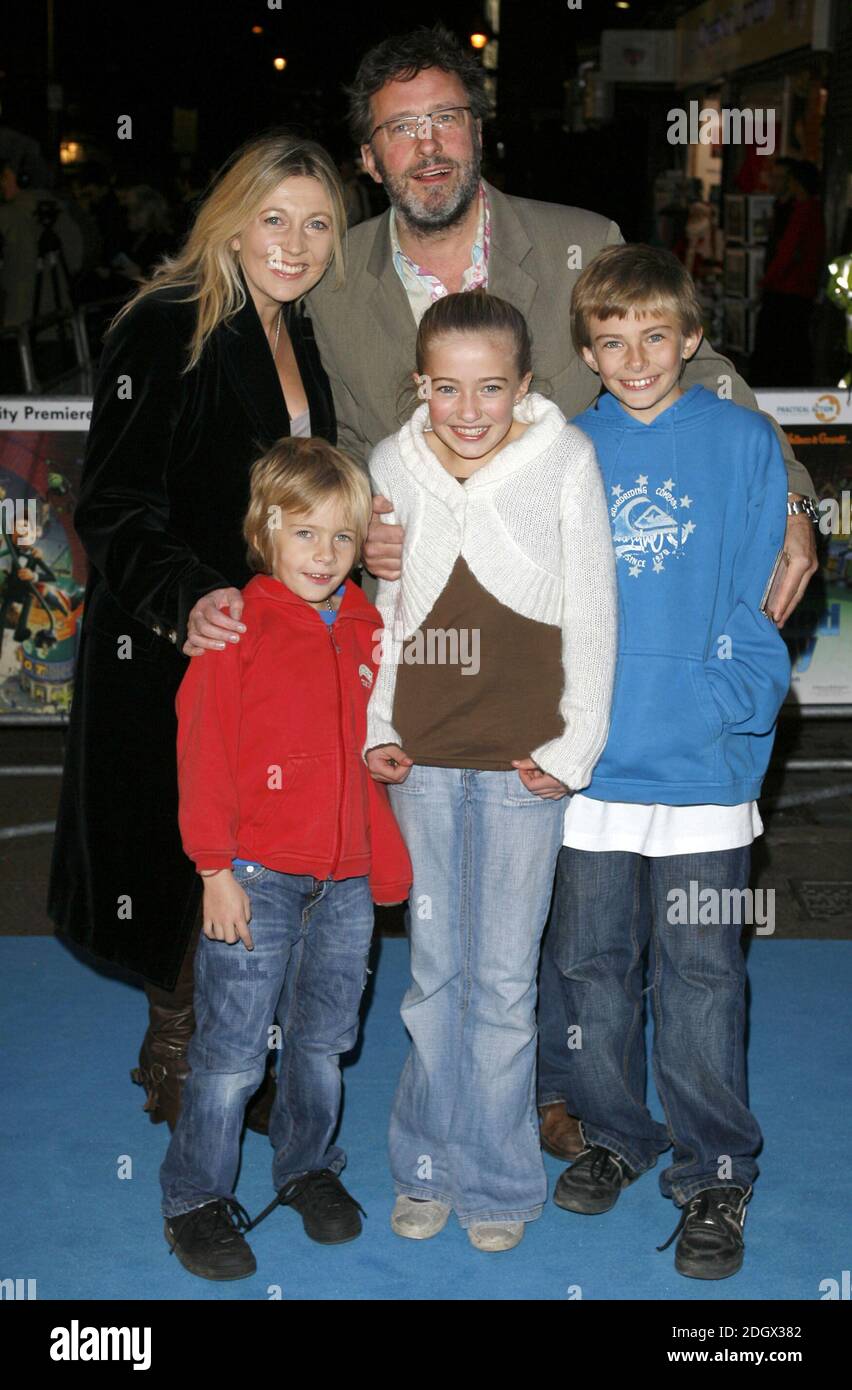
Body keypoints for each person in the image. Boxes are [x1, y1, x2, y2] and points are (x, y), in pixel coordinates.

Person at [307, 23, 819, 668]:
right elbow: (340, 443)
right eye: (402, 127)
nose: (429, 144)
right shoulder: (332, 282)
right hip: (418, 629)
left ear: (479, 134)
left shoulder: (578, 247)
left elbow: (703, 375)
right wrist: (358, 531)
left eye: (446, 117)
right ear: (370, 157)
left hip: (580, 617)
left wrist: (791, 500)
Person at [47, 130, 347, 1134]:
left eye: (316, 224)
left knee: (252, 856)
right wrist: (188, 601)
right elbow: (114, 506)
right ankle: (177, 1070)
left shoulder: (292, 330)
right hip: (174, 649)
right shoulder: (167, 322)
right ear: (231, 216)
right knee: (189, 861)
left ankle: (227, 1058)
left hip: (272, 646)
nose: (295, 242)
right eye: (275, 218)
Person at [538, 244, 791, 1280]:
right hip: (589, 773)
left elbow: (760, 593)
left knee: (701, 974)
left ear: (692, 339)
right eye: (611, 338)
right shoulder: (558, 449)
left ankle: (715, 1171)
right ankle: (614, 1132)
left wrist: (722, 711)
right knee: (592, 968)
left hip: (706, 779)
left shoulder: (742, 442)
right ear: (586, 350)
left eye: (655, 335)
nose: (634, 356)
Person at [364, 289, 617, 1251]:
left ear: (526, 385)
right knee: (435, 977)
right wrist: (378, 723)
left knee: (505, 984)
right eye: (447, 389)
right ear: (421, 384)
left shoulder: (566, 459)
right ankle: (425, 1164)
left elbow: (593, 608)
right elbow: (388, 606)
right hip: (421, 758)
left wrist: (573, 746)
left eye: (492, 389)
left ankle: (503, 1183)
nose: (469, 411)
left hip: (525, 767)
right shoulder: (392, 462)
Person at [161, 437, 411, 1281]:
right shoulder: (236, 628)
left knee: (321, 1043)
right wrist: (214, 868)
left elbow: (369, 743)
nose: (324, 555)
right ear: (264, 532)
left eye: (342, 538)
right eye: (304, 535)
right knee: (233, 1053)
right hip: (256, 876)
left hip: (344, 881)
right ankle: (195, 1196)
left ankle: (306, 1167)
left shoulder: (370, 628)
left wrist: (389, 765)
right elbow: (203, 752)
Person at [750, 160, 826, 387]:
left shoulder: (803, 210)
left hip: (787, 289)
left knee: (779, 345)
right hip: (800, 288)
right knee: (795, 344)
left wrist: (766, 280)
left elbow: (787, 251)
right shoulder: (811, 209)